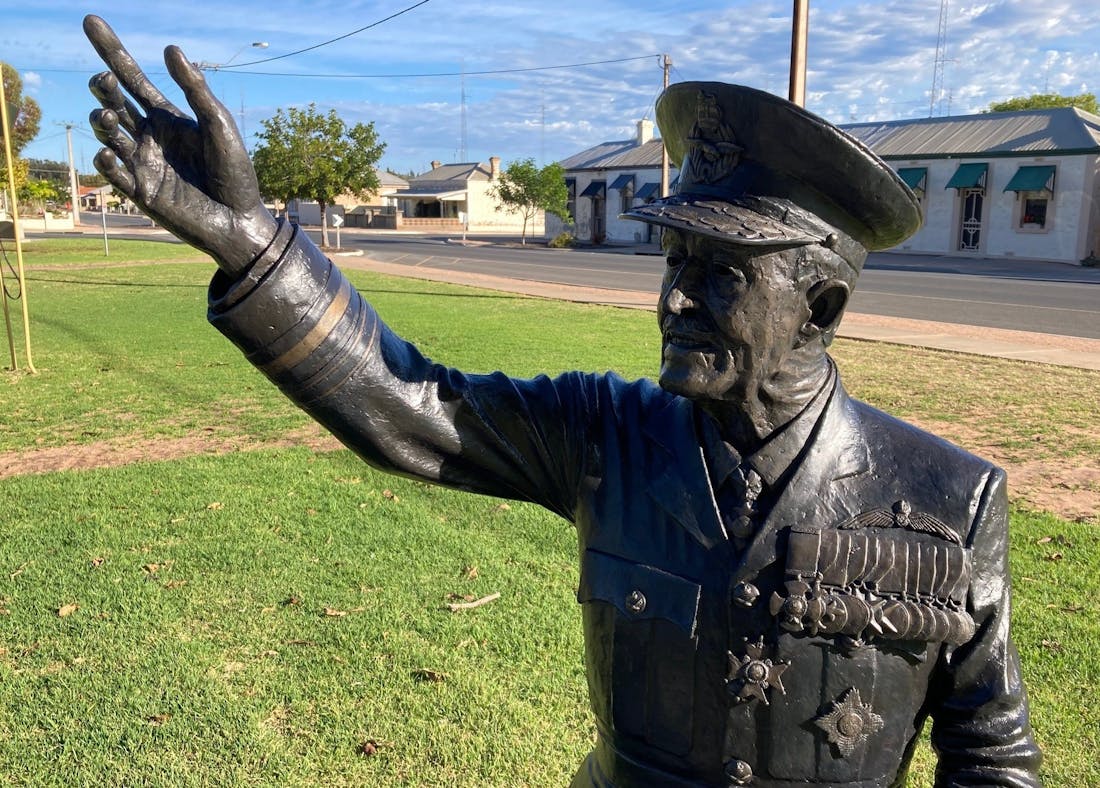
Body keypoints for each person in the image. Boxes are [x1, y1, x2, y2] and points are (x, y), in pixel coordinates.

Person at [83, 15, 1041, 787]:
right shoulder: (604, 437)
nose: (672, 299)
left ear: (821, 306)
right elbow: (410, 401)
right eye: (673, 262)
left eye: (719, 275)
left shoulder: (951, 500)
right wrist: (257, 246)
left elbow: (992, 756)